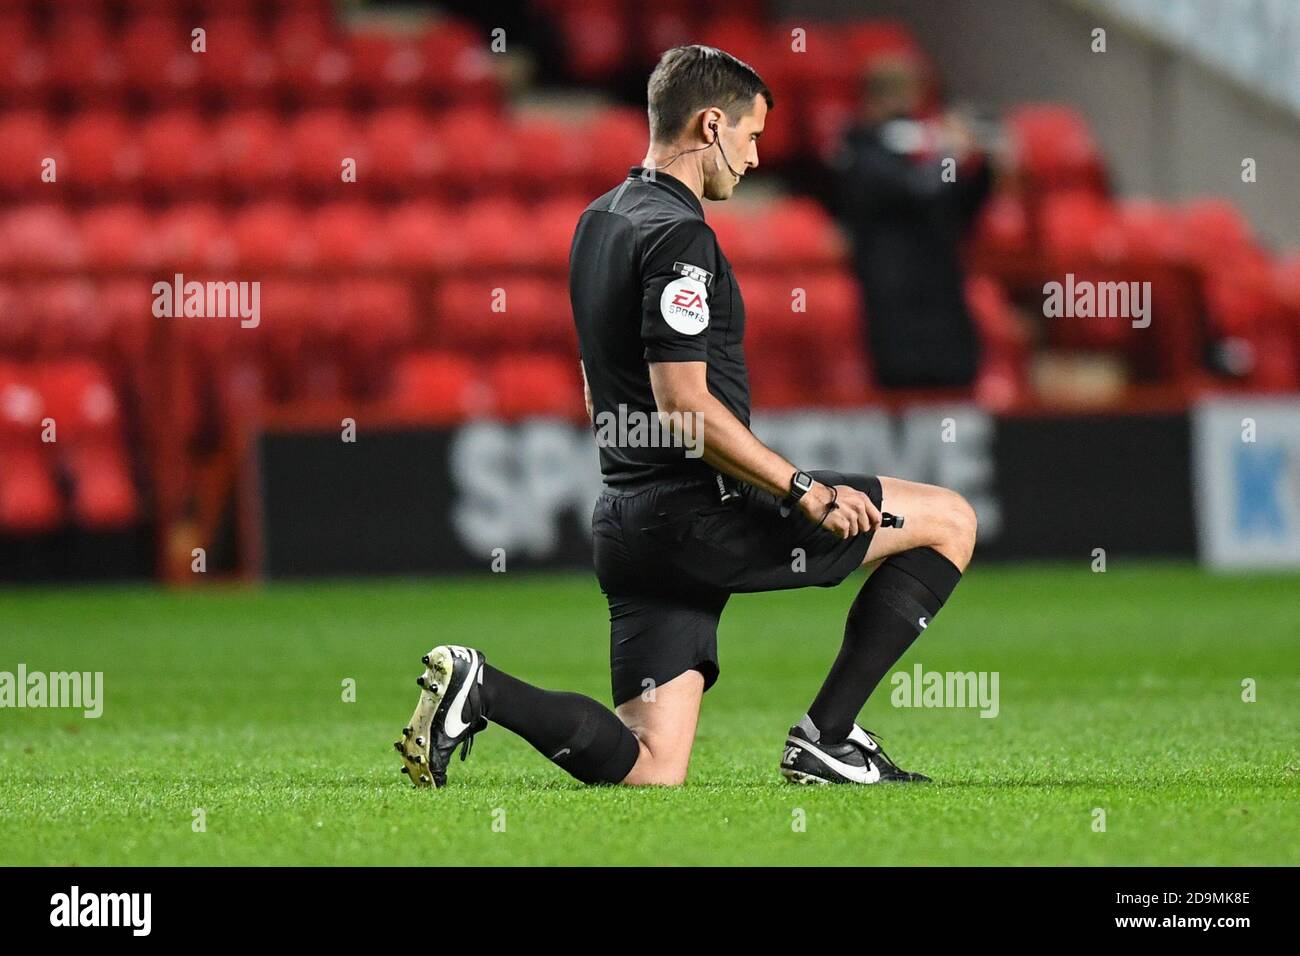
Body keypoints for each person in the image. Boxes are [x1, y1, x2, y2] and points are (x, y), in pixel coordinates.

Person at [394, 45, 977, 788]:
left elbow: (594, 377)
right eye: (752, 135)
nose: (757, 158)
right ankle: (830, 739)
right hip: (702, 512)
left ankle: (483, 688)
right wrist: (803, 489)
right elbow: (684, 407)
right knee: (951, 520)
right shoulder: (680, 236)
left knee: (649, 766)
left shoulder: (597, 221)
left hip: (629, 519)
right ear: (710, 125)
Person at [834, 55, 993, 389]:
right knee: (903, 385)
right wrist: (949, 157)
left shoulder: (920, 142)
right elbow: (915, 188)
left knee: (956, 378)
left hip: (941, 288)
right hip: (894, 296)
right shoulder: (858, 150)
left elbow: (964, 205)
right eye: (897, 96)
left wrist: (982, 165)